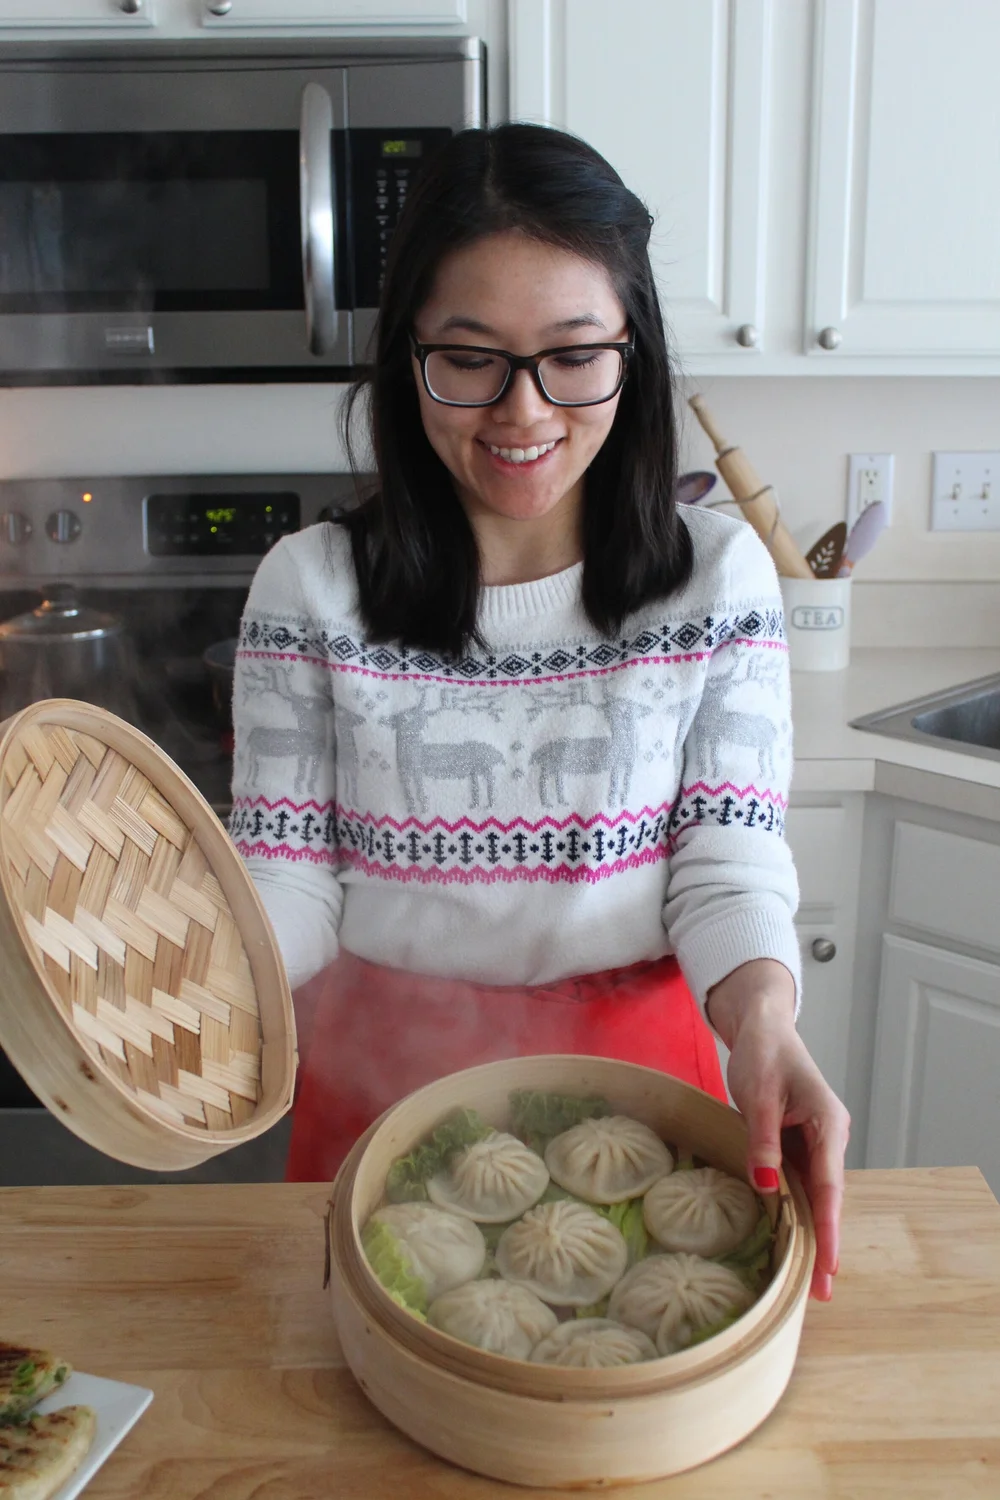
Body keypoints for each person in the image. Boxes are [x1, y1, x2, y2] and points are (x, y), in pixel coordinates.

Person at [230, 123, 849, 1300]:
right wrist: (210, 975)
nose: (523, 413)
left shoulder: (716, 582)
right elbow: (291, 877)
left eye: (573, 356)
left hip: (641, 1077)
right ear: (407, 353)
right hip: (378, 1079)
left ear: (633, 349)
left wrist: (766, 1023)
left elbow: (724, 863)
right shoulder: (309, 587)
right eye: (469, 358)